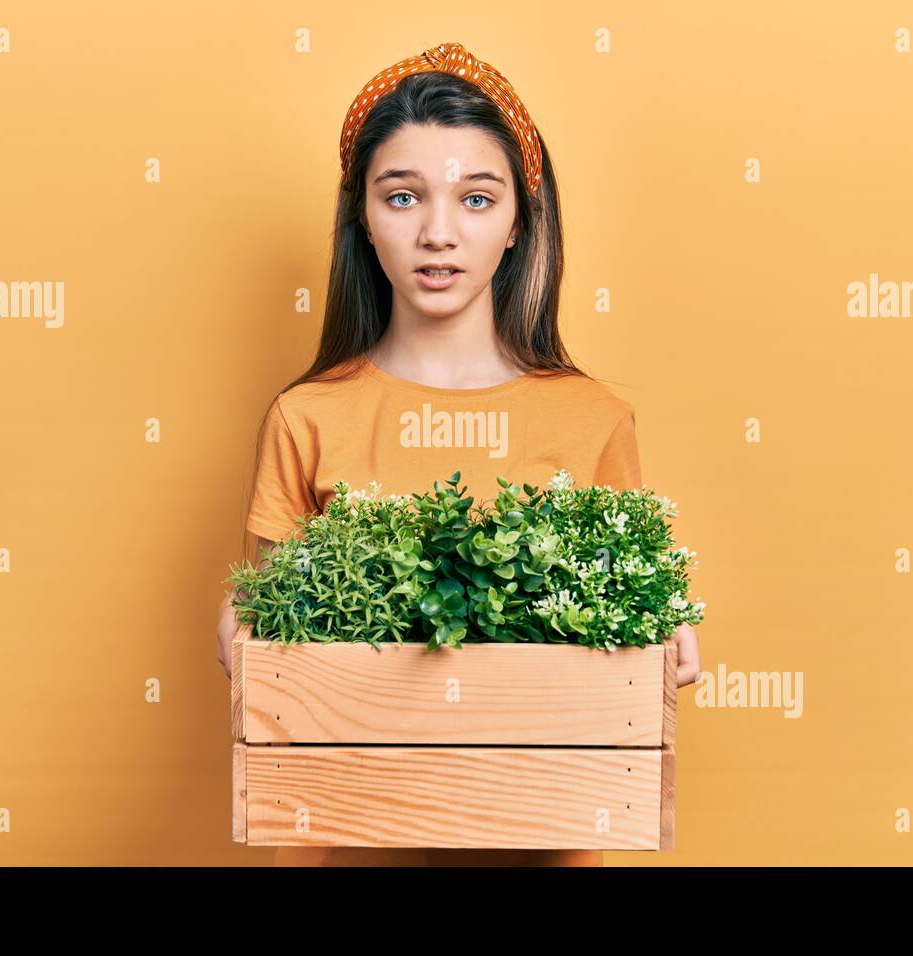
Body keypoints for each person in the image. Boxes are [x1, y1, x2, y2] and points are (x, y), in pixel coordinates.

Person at [216, 41, 702, 867]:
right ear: (362, 221)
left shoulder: (594, 421)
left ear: (519, 224)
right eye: (401, 197)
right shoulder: (307, 418)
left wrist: (663, 638)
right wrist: (245, 635)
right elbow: (267, 643)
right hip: (349, 841)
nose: (437, 234)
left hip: (541, 841)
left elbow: (631, 650)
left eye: (477, 199)